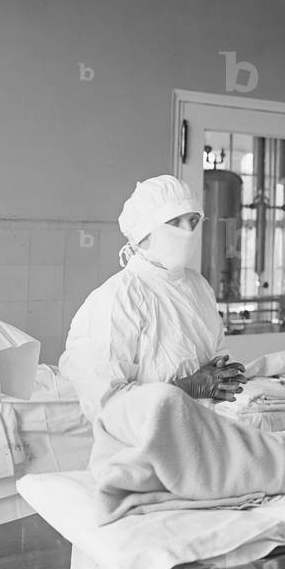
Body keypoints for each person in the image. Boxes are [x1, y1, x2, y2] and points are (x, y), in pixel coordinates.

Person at [59, 175, 246, 423]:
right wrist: (188, 387)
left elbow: (213, 357)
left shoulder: (198, 286)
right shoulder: (118, 298)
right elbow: (104, 405)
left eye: (193, 221)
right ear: (143, 233)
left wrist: (222, 379)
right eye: (174, 222)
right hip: (139, 451)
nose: (188, 232)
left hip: (196, 435)